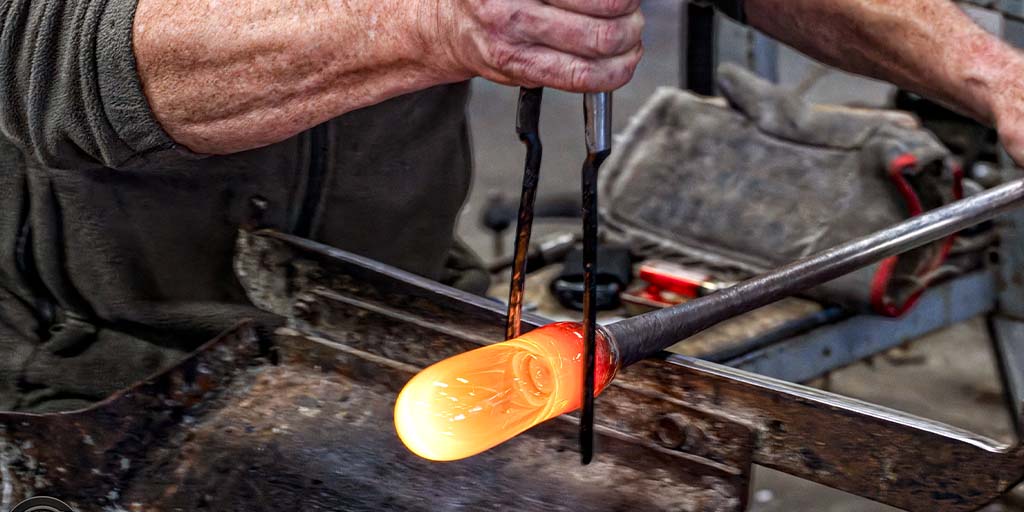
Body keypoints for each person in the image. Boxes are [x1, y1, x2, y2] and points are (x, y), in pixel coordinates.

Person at [0, 0, 1021, 412]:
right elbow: (52, 69)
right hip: (95, 365)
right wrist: (437, 24)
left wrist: (988, 73)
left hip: (390, 317)